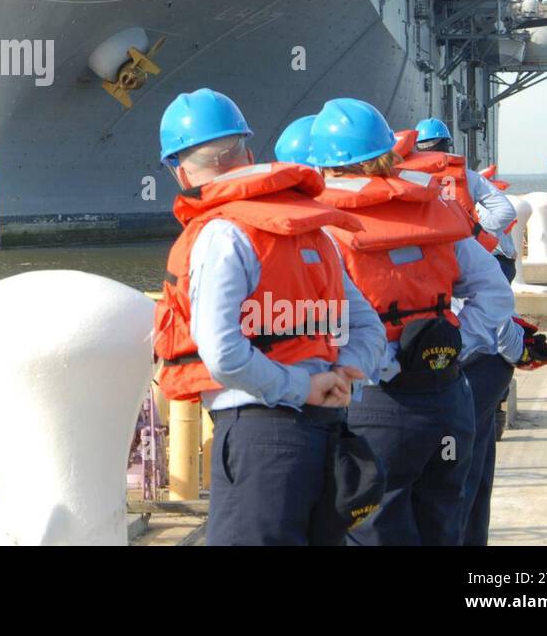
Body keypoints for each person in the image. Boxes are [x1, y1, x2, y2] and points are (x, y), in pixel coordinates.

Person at [153, 90, 387, 546]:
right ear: (249, 153)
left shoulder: (223, 234)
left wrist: (301, 388)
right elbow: (368, 327)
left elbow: (222, 354)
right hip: (329, 432)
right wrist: (343, 376)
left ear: (179, 171)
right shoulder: (313, 230)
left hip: (259, 433)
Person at [307, 98, 523, 546]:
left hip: (379, 405)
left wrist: (385, 360)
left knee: (376, 526)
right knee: (443, 519)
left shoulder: (325, 230)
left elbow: (325, 322)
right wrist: (451, 347)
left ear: (323, 166)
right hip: (449, 399)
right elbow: (496, 296)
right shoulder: (436, 214)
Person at [403, 117, 517, 279]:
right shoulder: (468, 177)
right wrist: (474, 230)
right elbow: (506, 211)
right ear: (448, 145)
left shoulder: (407, 180)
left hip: (432, 260)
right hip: (472, 256)